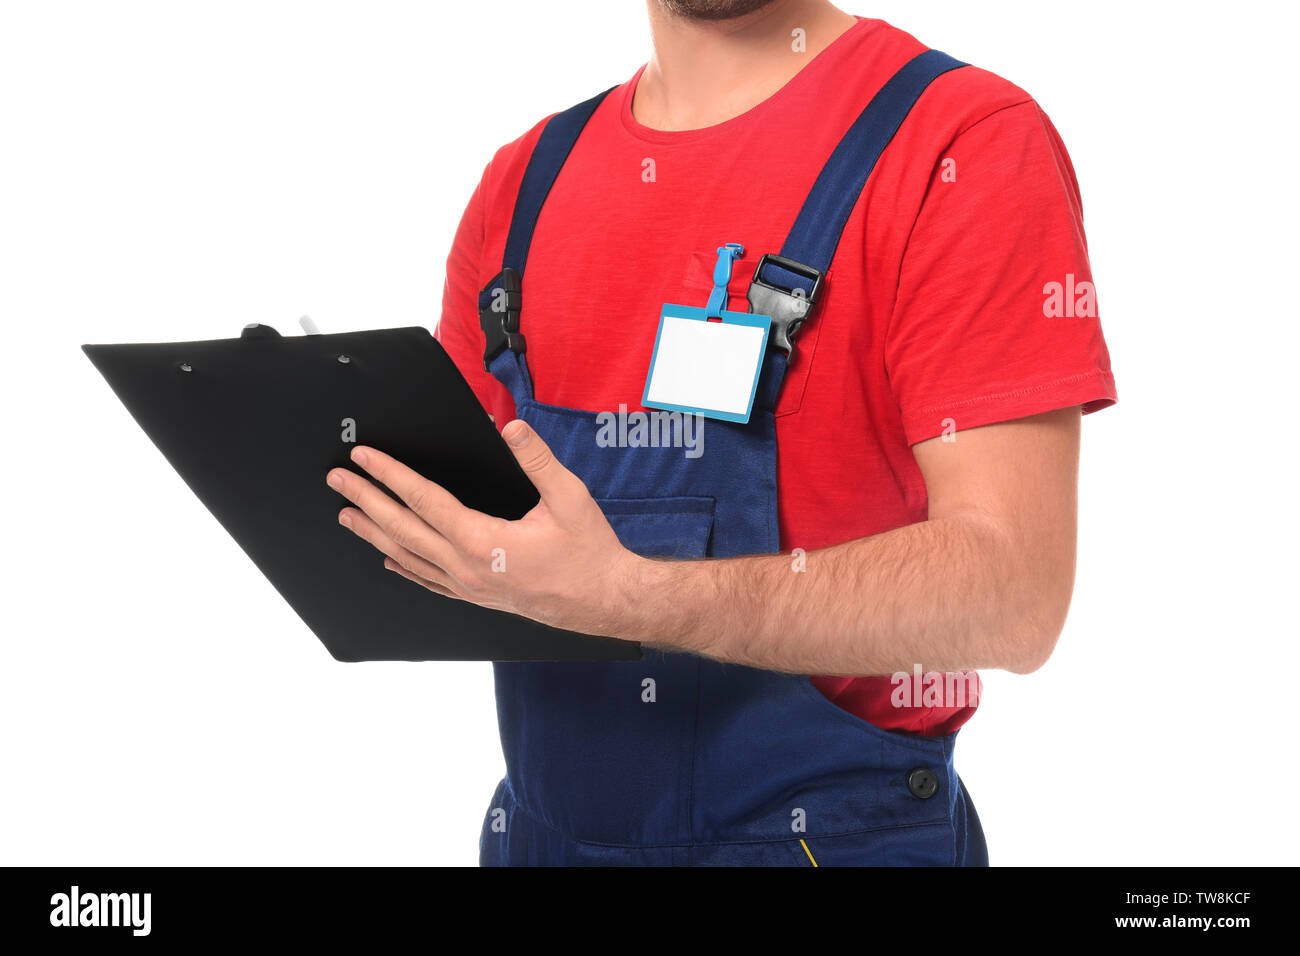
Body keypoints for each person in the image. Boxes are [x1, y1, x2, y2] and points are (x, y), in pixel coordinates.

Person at [325, 0, 1116, 866]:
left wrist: (627, 597)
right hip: (540, 838)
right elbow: (466, 531)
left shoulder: (959, 143)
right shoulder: (524, 184)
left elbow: (1015, 594)